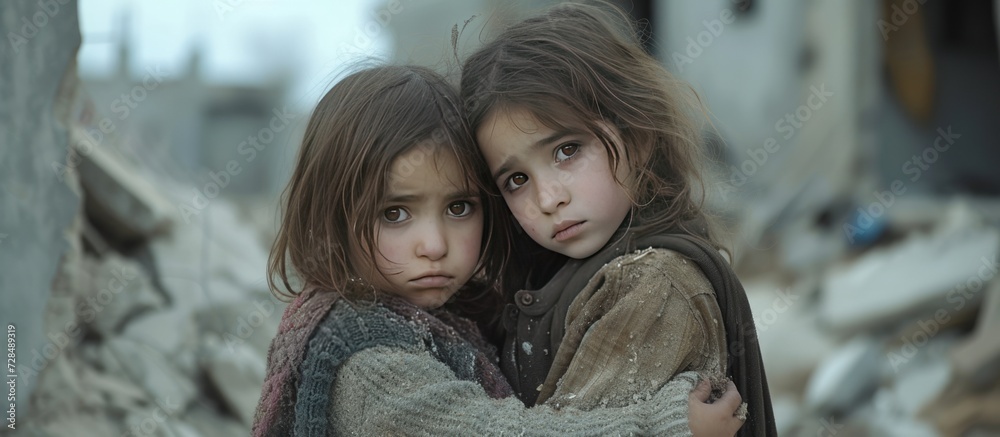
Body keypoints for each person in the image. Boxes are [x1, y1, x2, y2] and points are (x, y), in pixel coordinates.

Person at [251, 64, 745, 436]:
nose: (434, 246)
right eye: (394, 214)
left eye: (460, 207)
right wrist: (664, 425)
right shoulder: (371, 368)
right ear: (330, 217)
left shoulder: (451, 317)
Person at [460, 3, 777, 436]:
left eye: (567, 151)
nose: (549, 198)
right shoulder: (548, 274)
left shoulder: (652, 286)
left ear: (638, 137)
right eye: (516, 179)